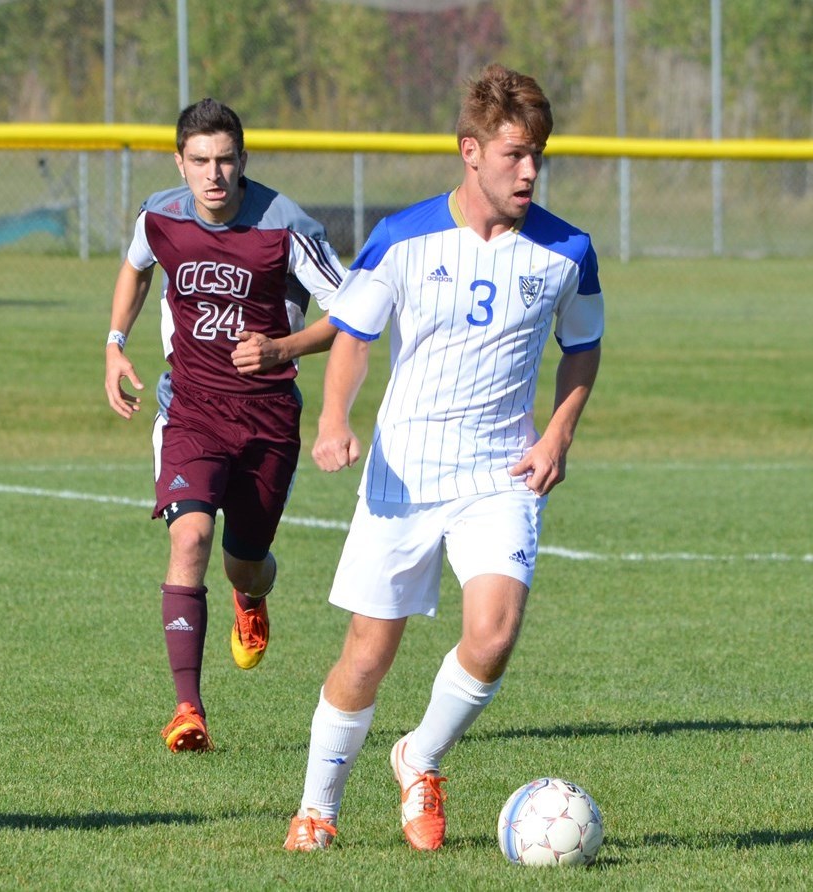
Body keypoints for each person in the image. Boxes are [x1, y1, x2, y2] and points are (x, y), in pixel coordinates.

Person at [284, 64, 604, 852]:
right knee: (368, 652)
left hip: (501, 472)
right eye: (513, 154)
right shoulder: (404, 235)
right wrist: (331, 420)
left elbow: (584, 348)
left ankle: (419, 759)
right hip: (404, 470)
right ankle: (318, 810)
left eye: (538, 155)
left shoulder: (568, 250)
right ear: (470, 150)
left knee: (494, 633)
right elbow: (354, 337)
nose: (529, 170)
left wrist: (558, 432)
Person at [104, 97, 345, 753]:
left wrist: (281, 349)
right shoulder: (160, 215)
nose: (214, 175)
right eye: (201, 161)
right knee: (189, 538)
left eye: (226, 161)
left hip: (267, 421)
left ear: (243, 161)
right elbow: (136, 264)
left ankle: (252, 595)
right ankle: (188, 710)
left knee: (246, 564)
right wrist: (114, 339)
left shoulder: (284, 226)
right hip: (190, 411)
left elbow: (354, 313)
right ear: (180, 163)